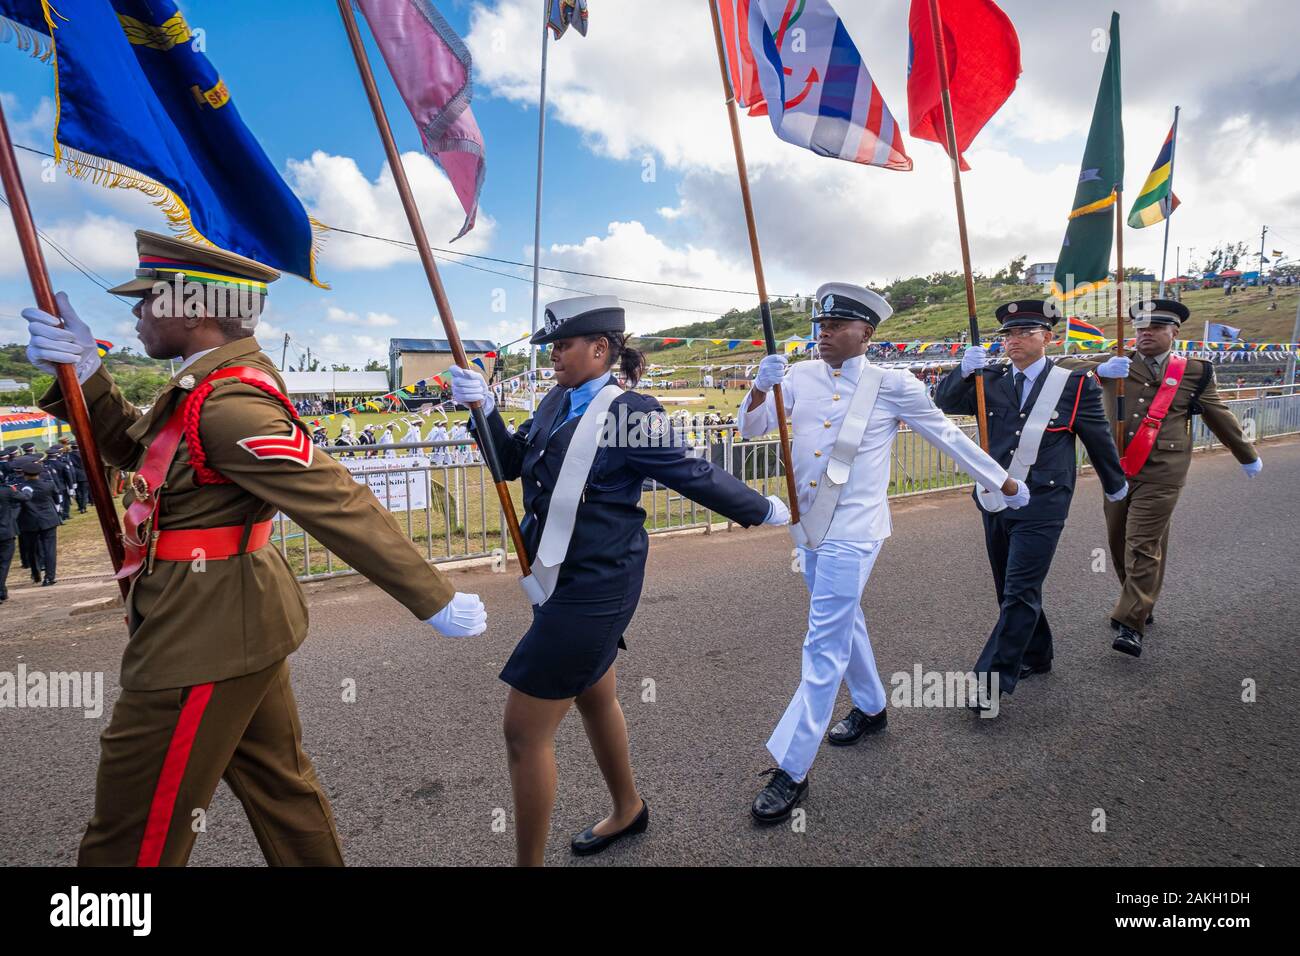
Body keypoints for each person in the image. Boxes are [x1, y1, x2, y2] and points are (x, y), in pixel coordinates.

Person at [23, 230, 487, 866]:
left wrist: (433, 597)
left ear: (196, 307)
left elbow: (334, 498)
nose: (135, 312)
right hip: (231, 620)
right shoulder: (204, 387)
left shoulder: (229, 400)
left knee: (134, 834)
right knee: (281, 793)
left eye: (148, 297)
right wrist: (87, 376)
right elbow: (139, 453)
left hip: (201, 636)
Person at [451, 294, 789, 865]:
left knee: (522, 730)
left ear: (601, 348)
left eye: (562, 345)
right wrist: (483, 409)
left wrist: (763, 509)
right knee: (594, 696)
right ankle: (628, 809)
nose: (553, 355)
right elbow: (510, 463)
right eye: (552, 345)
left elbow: (692, 473)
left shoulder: (632, 413)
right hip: (558, 574)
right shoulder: (557, 399)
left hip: (599, 584)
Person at [738, 283, 1021, 822]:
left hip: (856, 529)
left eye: (835, 326)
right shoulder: (797, 377)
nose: (822, 333)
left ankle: (792, 767)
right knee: (847, 622)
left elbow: (946, 437)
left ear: (865, 334)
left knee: (823, 641)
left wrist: (1001, 482)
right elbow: (752, 429)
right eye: (820, 325)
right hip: (808, 529)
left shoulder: (893, 384)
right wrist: (757, 389)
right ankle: (871, 707)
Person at [935, 299, 1128, 706]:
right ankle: (1037, 654)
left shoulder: (1074, 384)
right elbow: (945, 402)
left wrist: (1115, 484)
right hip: (995, 496)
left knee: (1020, 589)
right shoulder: (989, 380)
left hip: (1044, 499)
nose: (1014, 341)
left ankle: (991, 682)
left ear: (1048, 337)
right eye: (1008, 334)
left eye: (1025, 332)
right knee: (1008, 586)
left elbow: (1098, 437)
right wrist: (963, 372)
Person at [1060, 299, 1261, 657]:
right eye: (1140, 329)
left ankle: (1131, 621)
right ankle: (1140, 600)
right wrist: (1103, 368)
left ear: (1174, 333)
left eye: (1154, 328)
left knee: (1142, 543)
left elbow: (1219, 415)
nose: (1144, 334)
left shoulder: (1195, 372)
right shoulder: (1115, 363)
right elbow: (1060, 365)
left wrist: (1246, 455)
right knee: (1119, 541)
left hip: (1164, 471)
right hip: (1117, 468)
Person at [14, 455, 59, 586]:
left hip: (29, 520)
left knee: (32, 550)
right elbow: (56, 499)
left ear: (24, 474)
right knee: (49, 549)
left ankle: (36, 573)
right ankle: (50, 577)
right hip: (48, 519)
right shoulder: (48, 485)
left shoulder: (19, 487)